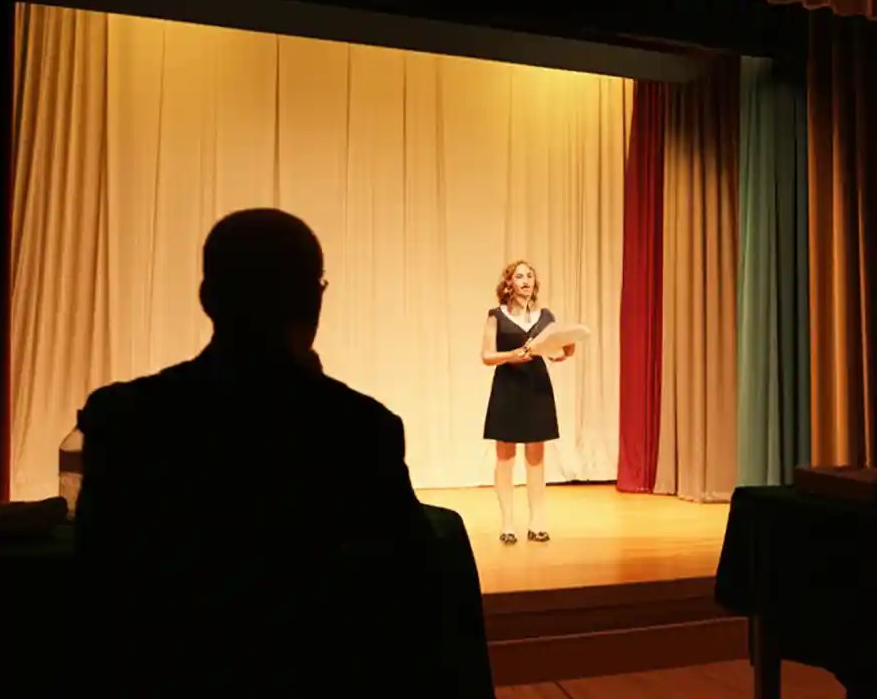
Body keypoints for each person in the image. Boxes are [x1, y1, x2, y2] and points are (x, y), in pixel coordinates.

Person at [74, 209, 441, 694]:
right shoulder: (358, 428)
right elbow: (409, 590)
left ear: (207, 298)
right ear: (315, 298)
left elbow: (99, 586)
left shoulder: (123, 417)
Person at [481, 260, 574, 544]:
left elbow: (557, 351)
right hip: (508, 388)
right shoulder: (496, 315)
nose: (525, 280)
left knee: (536, 457)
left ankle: (537, 522)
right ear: (508, 283)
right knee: (505, 457)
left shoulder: (545, 316)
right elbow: (486, 356)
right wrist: (512, 355)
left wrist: (565, 350)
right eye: (519, 276)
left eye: (530, 276)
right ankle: (507, 524)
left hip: (536, 387)